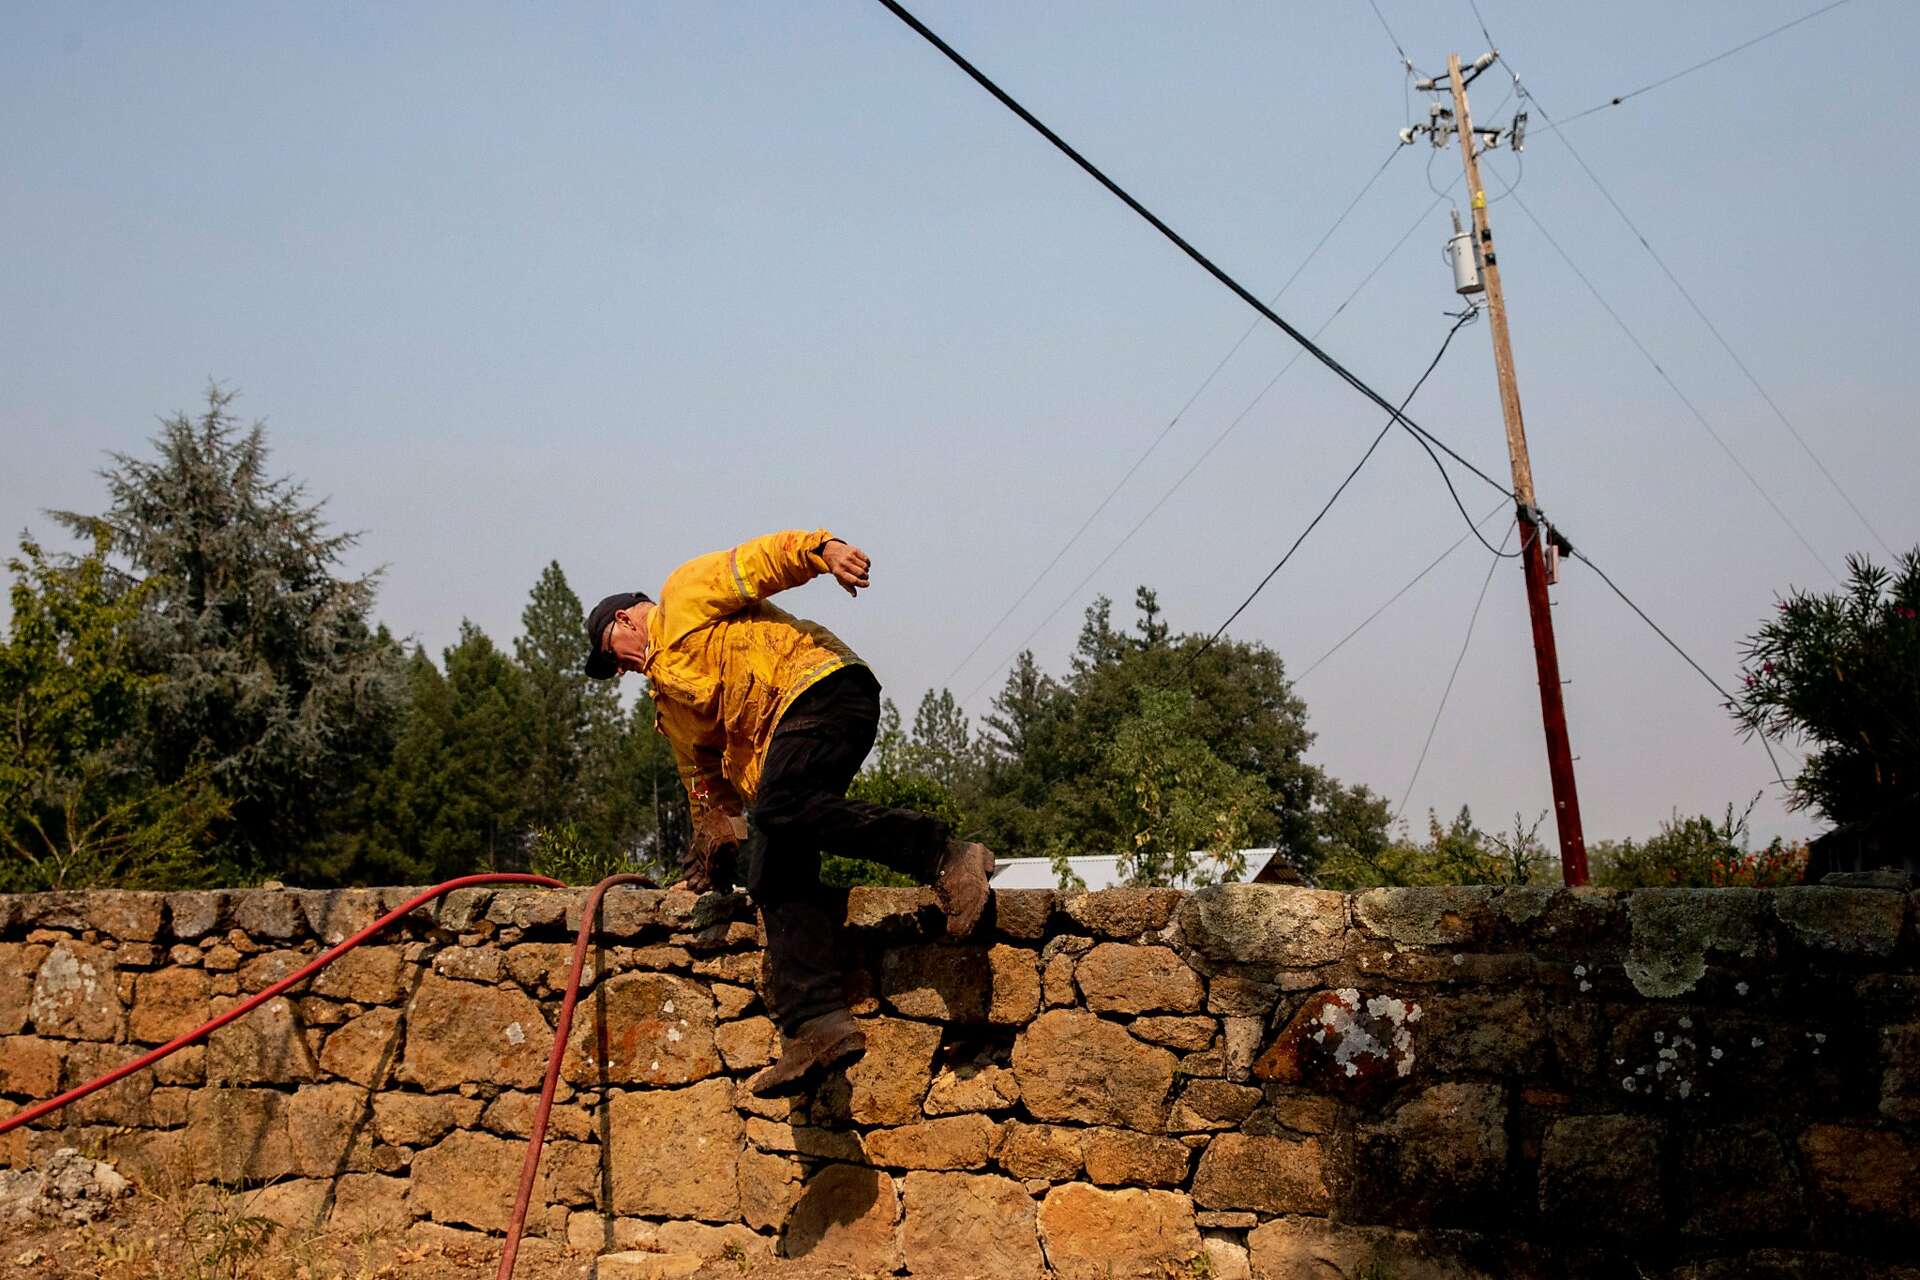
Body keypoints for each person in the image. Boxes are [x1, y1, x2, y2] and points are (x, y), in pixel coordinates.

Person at [584, 529, 995, 1097]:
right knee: (771, 875)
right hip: (785, 761)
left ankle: (945, 855)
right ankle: (817, 1027)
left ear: (627, 621)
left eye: (612, 655)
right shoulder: (670, 709)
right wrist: (702, 876)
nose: (622, 670)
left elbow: (759, 562)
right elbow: (709, 800)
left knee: (780, 806)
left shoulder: (682, 594)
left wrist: (824, 552)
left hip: (822, 687)